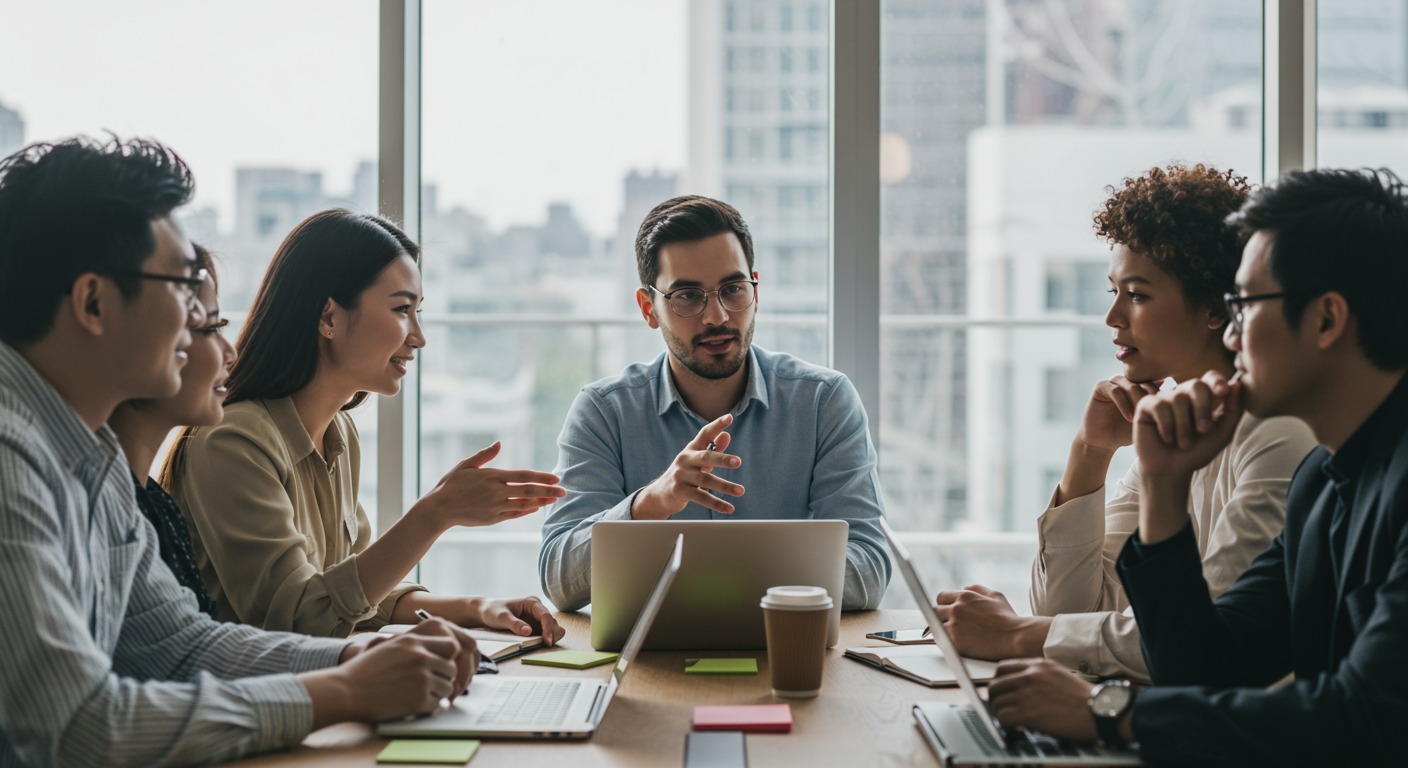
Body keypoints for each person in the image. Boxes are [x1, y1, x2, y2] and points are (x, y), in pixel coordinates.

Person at [0, 136, 482, 767]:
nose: (201, 316)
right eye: (181, 289)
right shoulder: (13, 461)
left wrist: (348, 657)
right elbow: (75, 730)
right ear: (93, 302)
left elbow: (178, 645)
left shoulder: (93, 459)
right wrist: (340, 690)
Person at [983, 167, 1408, 765]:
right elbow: (1208, 665)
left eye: (1244, 305)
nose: (1232, 335)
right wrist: (1163, 483)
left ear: (1326, 319)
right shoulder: (1323, 480)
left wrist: (1107, 711)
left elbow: (1363, 717)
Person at [932, 165, 1316, 681]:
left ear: (1213, 309)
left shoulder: (1277, 433)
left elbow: (1205, 641)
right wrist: (1090, 453)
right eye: (1112, 291)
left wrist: (1014, 634)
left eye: (1135, 294)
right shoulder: (1176, 417)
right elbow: (1070, 610)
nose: (1112, 317)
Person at [170, 208, 568, 642]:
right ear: (328, 318)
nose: (418, 336)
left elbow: (359, 598)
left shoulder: (338, 434)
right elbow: (300, 619)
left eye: (418, 312)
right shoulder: (233, 442)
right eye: (402, 309)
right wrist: (435, 513)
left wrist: (480, 609)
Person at [539, 195, 890, 612]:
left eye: (732, 289)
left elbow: (869, 569)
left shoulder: (823, 402)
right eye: (688, 295)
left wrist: (723, 576)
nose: (717, 316)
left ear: (755, 290)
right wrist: (649, 506)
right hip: (649, 668)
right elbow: (558, 579)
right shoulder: (603, 412)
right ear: (649, 308)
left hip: (788, 654)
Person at [108, 243, 230, 619]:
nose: (230, 352)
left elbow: (180, 642)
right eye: (208, 328)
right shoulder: (112, 498)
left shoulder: (150, 503)